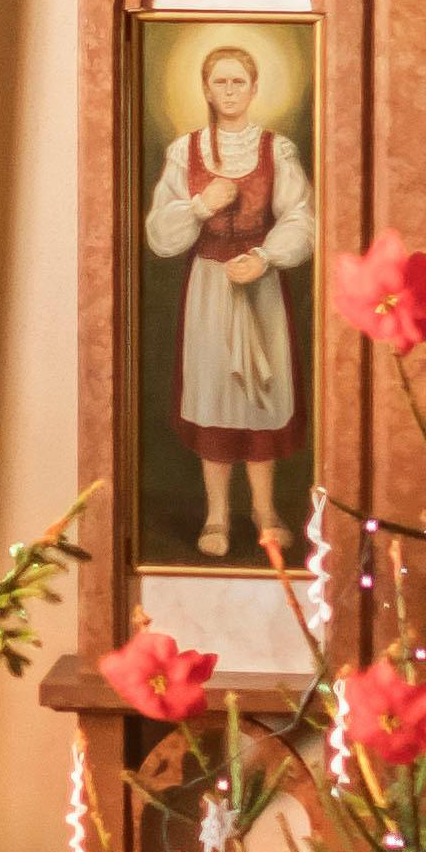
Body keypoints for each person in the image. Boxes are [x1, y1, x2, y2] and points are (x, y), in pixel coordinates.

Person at [143, 35, 314, 561]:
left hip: (259, 283)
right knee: (215, 391)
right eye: (221, 81)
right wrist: (199, 205)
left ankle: (265, 511)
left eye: (240, 80)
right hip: (209, 286)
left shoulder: (276, 149)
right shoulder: (185, 151)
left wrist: (264, 258)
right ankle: (217, 512)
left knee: (259, 395)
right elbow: (158, 232)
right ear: (207, 90)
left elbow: (302, 219)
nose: (231, 90)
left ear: (255, 87)